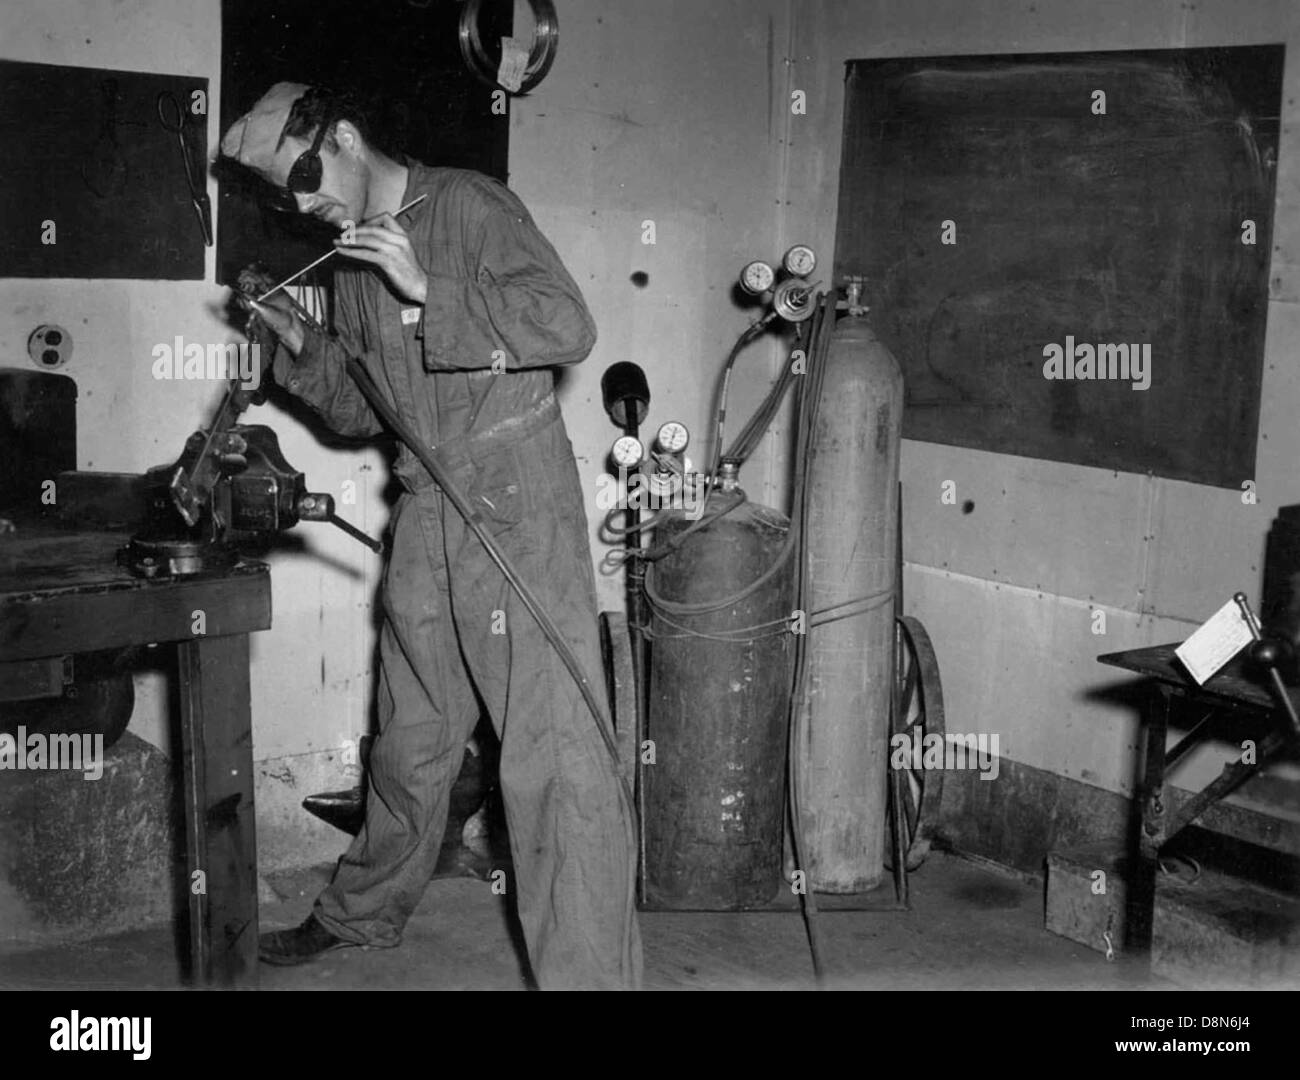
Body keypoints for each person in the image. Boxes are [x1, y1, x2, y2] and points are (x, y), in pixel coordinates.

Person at [220, 82, 641, 990]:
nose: (301, 204)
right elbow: (363, 408)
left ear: (342, 134)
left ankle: (589, 977)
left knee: (551, 751)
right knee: (410, 731)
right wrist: (301, 346)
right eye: (278, 197)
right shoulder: (345, 257)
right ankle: (364, 913)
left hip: (512, 497)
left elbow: (569, 325)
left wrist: (428, 285)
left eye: (304, 175)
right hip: (427, 498)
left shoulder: (466, 205)